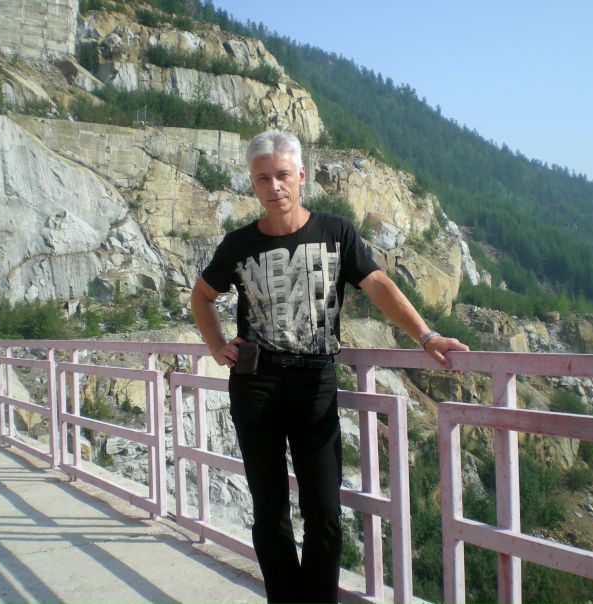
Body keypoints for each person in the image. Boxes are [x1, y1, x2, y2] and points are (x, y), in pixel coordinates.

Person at [191, 129, 468, 604]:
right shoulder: (239, 244)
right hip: (255, 385)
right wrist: (217, 346)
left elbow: (377, 284)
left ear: (301, 175)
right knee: (269, 510)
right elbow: (202, 297)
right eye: (263, 178)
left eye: (282, 175)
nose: (275, 186)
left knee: (324, 510)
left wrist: (426, 336)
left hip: (314, 381)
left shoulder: (336, 232)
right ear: (253, 184)